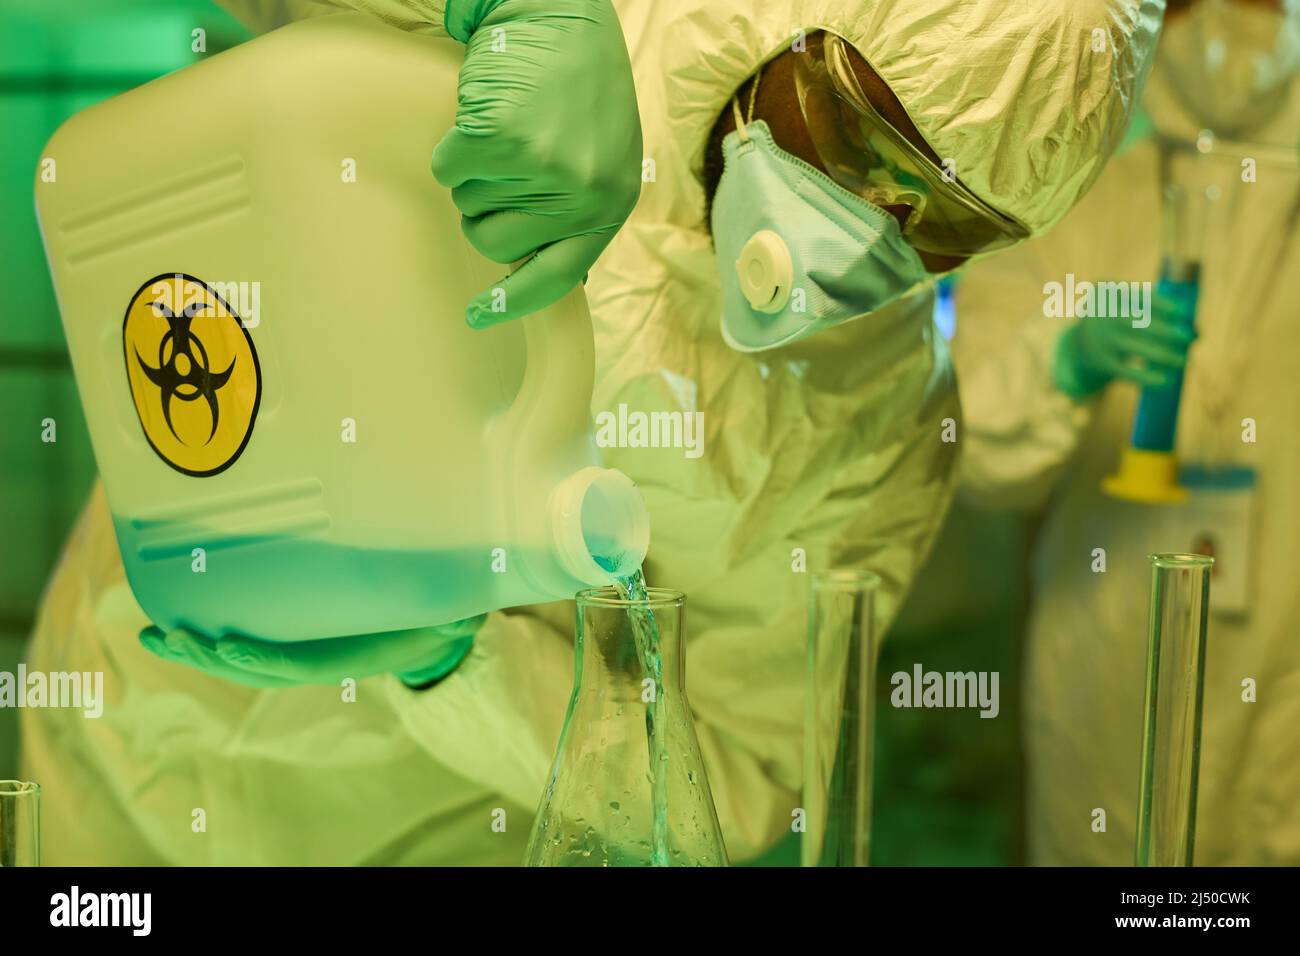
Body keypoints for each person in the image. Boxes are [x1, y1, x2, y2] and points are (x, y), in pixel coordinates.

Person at [21, 0, 1163, 864]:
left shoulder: (879, 425)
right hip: (141, 736)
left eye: (949, 222)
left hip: (440, 834)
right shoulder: (581, 30)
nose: (876, 230)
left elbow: (743, 769)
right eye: (862, 145)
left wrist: (457, 661)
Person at [952, 0, 1300, 865]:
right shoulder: (1068, 191)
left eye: (1262, 3)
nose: (1234, 27)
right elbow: (968, 453)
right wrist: (1062, 363)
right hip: (1110, 659)